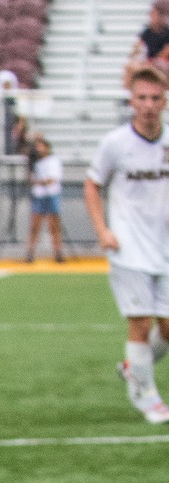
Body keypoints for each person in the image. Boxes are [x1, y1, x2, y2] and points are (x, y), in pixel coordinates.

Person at [88, 67, 169, 424]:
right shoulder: (115, 143)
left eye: (155, 98)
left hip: (164, 247)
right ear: (131, 101)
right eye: (142, 98)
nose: (148, 105)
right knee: (139, 322)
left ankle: (131, 367)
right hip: (129, 247)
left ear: (165, 100)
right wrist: (103, 228)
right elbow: (92, 184)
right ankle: (147, 397)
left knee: (167, 329)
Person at [26, 134, 65, 264]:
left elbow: (53, 179)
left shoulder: (54, 160)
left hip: (51, 195)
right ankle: (30, 252)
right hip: (39, 195)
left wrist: (41, 182)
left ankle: (58, 251)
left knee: (54, 225)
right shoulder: (34, 162)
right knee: (35, 225)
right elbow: (31, 179)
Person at [132, 7, 169, 80]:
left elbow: (167, 50)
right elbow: (138, 46)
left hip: (162, 60)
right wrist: (135, 56)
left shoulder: (167, 31)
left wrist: (154, 60)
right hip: (148, 60)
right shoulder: (147, 32)